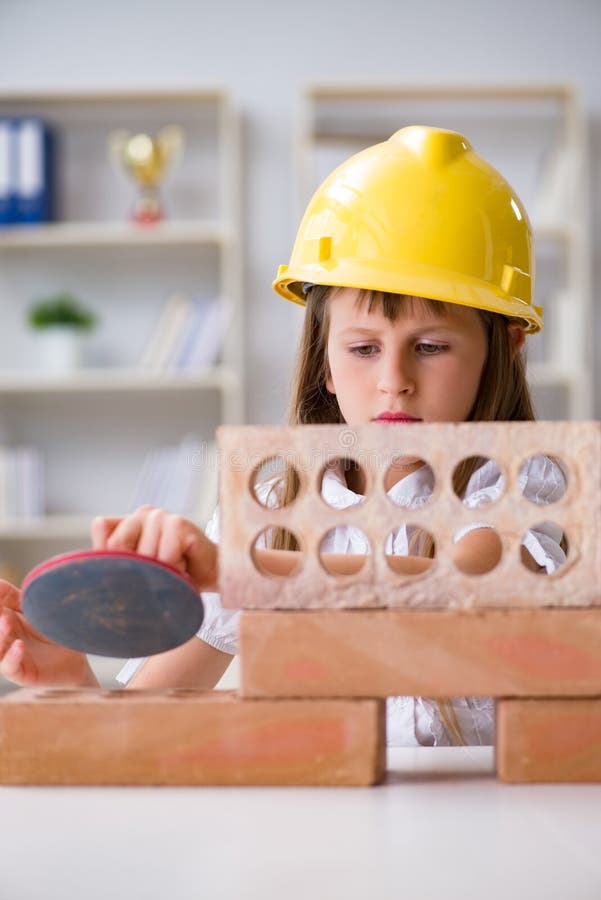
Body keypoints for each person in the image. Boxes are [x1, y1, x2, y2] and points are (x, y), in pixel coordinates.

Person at [0, 126, 566, 746]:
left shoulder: (526, 485)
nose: (393, 381)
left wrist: (239, 568)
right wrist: (69, 681)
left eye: (430, 347)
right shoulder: (269, 514)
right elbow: (133, 729)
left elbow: (461, 581)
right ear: (324, 358)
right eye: (362, 348)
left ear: (505, 349)